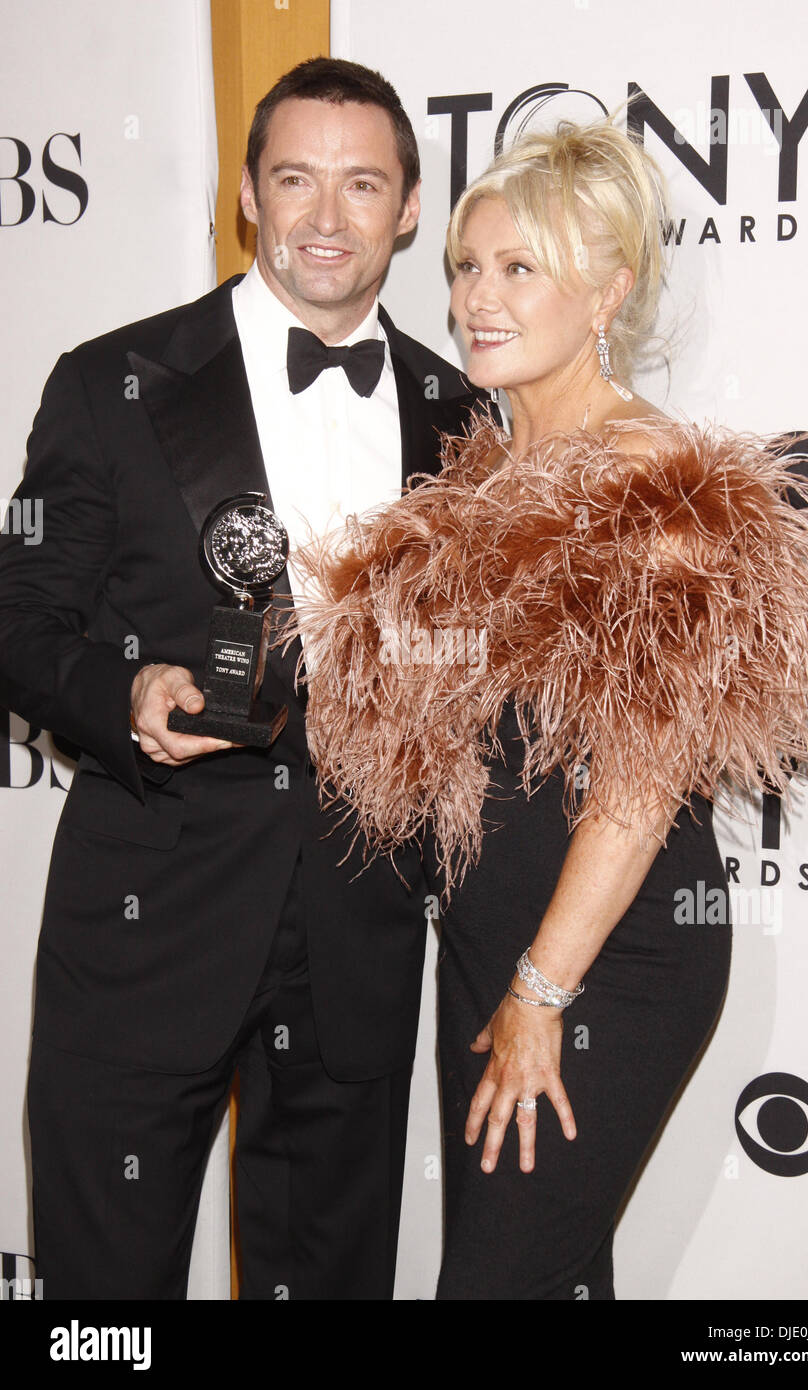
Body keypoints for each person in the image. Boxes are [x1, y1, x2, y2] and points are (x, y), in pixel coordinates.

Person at [277, 121, 808, 1299]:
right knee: (552, 1277)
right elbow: (457, 700)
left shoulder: (660, 487)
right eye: (463, 265)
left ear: (607, 290)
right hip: (494, 930)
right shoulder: (474, 479)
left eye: (516, 267)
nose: (475, 300)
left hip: (606, 951)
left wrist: (544, 990)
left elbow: (641, 784)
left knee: (496, 1283)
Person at [0, 57, 488, 1300]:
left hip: (358, 927)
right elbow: (18, 611)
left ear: (411, 206)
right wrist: (119, 695)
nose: (327, 218)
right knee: (102, 1300)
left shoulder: (466, 417)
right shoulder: (112, 381)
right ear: (246, 196)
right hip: (148, 919)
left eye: (362, 184)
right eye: (296, 181)